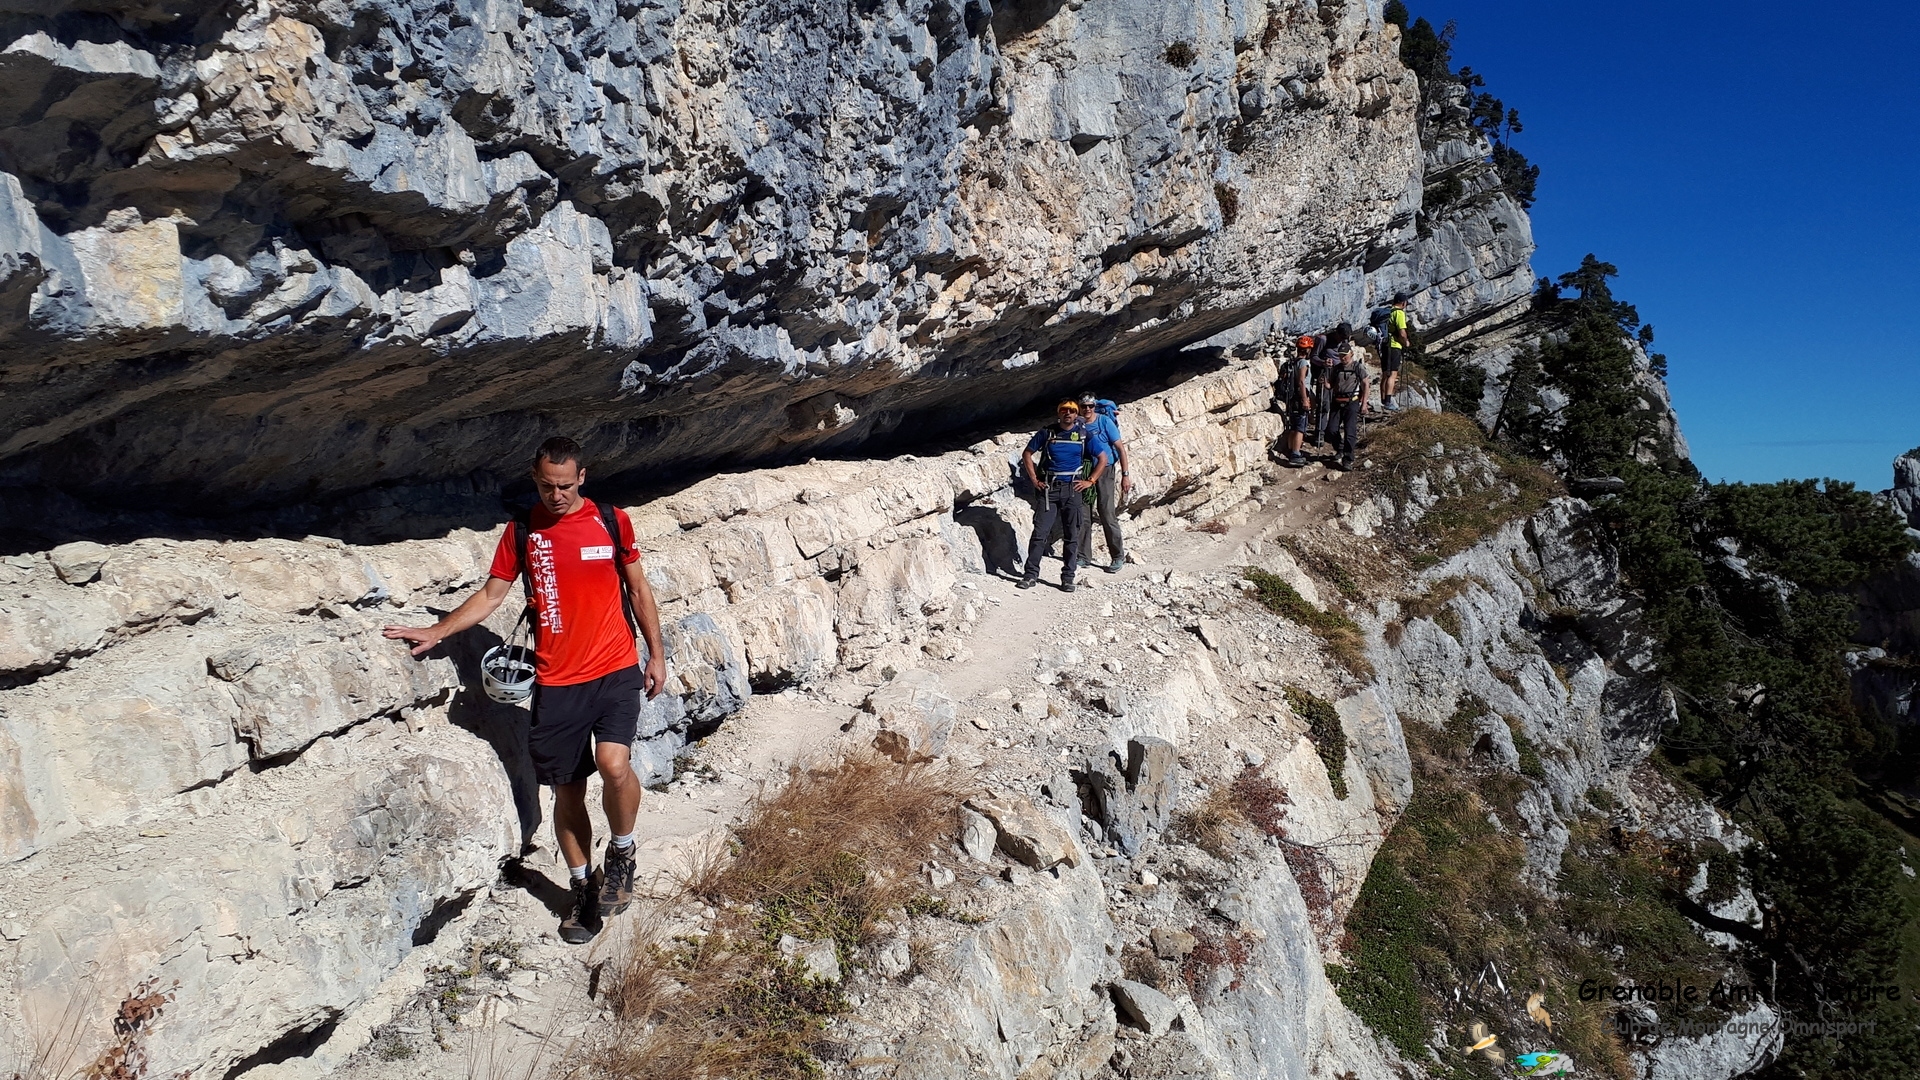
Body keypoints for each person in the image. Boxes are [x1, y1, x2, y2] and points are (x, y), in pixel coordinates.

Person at [383, 437, 668, 945]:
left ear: (582, 476)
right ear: (533, 478)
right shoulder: (522, 532)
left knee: (614, 764)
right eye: (545, 485)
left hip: (615, 667)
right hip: (557, 680)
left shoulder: (611, 520)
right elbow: (492, 594)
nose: (555, 495)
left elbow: (638, 589)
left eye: (564, 485)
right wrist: (438, 631)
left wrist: (657, 654)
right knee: (567, 790)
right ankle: (583, 888)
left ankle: (622, 852)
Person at [1018, 401, 1110, 593]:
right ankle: (1030, 575)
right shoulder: (1047, 433)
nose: (1068, 414)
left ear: (1076, 415)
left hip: (1073, 490)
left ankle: (1068, 578)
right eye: (1064, 411)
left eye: (1072, 411)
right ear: (1058, 414)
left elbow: (1103, 458)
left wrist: (1090, 481)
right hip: (1049, 490)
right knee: (1039, 534)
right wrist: (1035, 479)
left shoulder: (1084, 435)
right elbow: (1027, 453)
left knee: (1072, 536)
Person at [1076, 392, 1130, 573]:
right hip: (1084, 470)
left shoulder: (1104, 422)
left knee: (1107, 513)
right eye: (1084, 406)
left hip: (1105, 470)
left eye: (1091, 406)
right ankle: (1083, 557)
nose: (1088, 410)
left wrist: (1125, 475)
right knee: (1083, 514)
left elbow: (1120, 448)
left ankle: (1117, 556)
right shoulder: (1077, 423)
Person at [1326, 341, 1372, 469]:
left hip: (1352, 401)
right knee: (1331, 429)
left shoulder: (1358, 367)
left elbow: (1365, 384)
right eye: (1340, 355)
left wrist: (1364, 404)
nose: (1343, 358)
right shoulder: (1336, 368)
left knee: (1350, 431)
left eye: (1345, 355)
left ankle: (1348, 459)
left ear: (1351, 354)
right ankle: (1340, 448)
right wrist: (1325, 381)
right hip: (1337, 401)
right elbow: (1330, 385)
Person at [1314, 323, 1356, 448]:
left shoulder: (1345, 340)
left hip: (1341, 376)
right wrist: (1323, 362)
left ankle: (1331, 433)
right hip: (1326, 373)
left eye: (1345, 337)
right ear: (1336, 333)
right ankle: (1320, 433)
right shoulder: (1323, 340)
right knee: (1323, 404)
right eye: (1341, 336)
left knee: (1336, 405)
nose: (1343, 340)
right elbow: (1313, 356)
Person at [1279, 335, 1315, 467]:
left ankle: (1291, 450)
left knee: (1293, 425)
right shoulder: (1303, 363)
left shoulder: (1292, 362)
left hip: (1291, 398)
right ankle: (1295, 454)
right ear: (1308, 350)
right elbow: (1301, 382)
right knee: (1300, 426)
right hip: (1300, 398)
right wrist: (1305, 400)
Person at [1381, 291, 1412, 411]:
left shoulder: (1388, 312)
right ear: (1403, 303)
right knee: (1392, 374)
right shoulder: (1399, 313)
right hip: (1394, 345)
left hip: (1384, 344)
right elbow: (1402, 333)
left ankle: (1383, 399)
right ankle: (1388, 402)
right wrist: (1406, 342)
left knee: (1385, 373)